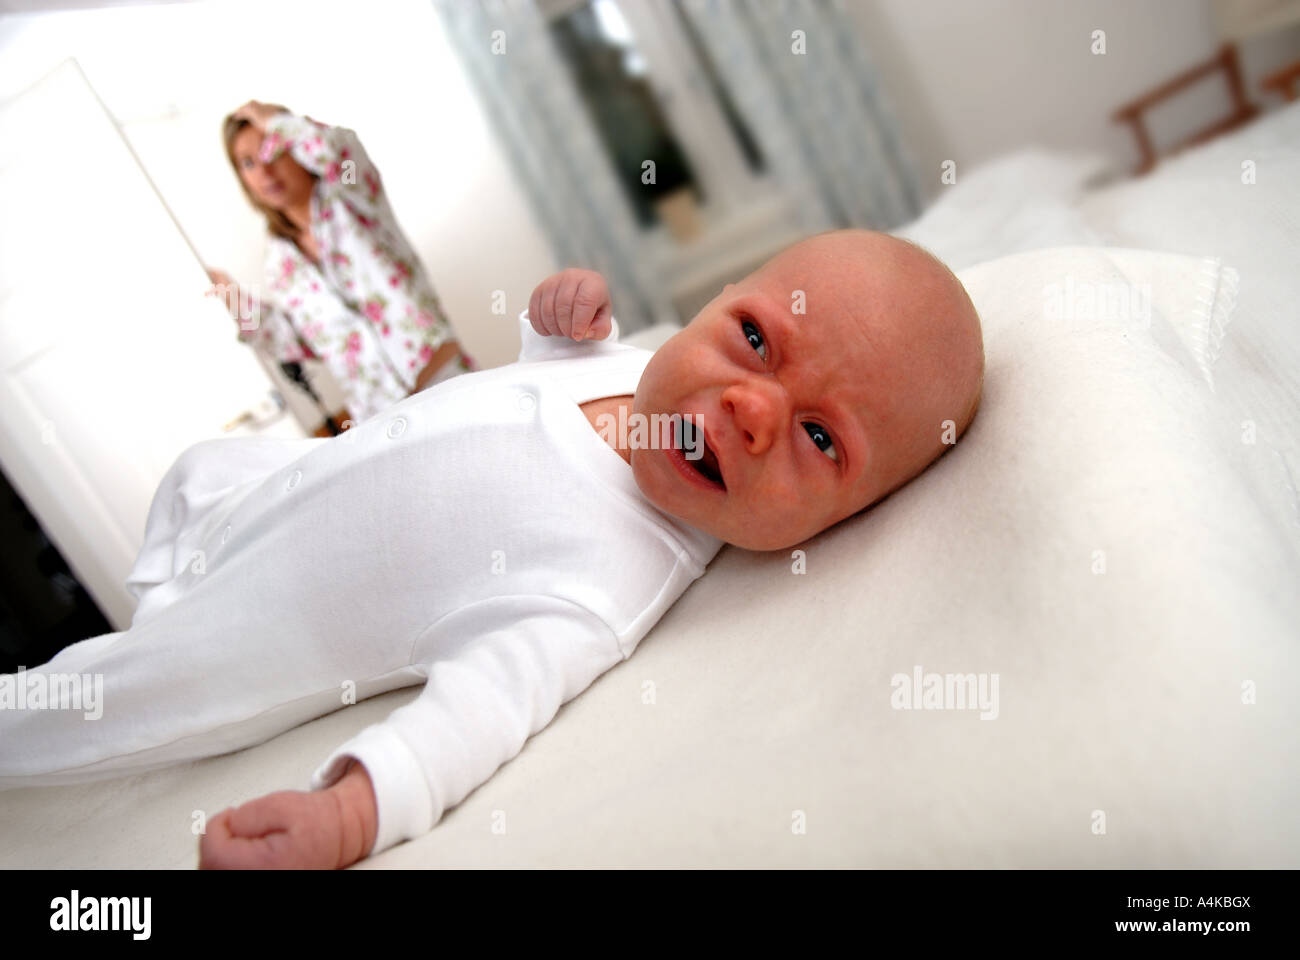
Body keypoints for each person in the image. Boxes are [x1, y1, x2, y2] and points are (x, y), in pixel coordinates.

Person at [0, 229, 984, 868]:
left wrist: (349, 817)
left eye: (820, 439)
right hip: (284, 488)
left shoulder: (609, 578)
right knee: (207, 469)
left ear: (841, 522)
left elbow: (480, 712)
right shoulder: (630, 366)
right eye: (756, 339)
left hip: (268, 621)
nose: (751, 406)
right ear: (715, 300)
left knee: (91, 697)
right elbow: (531, 382)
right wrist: (553, 332)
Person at [206, 100, 473, 425]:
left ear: (295, 147)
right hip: (383, 424)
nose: (264, 172)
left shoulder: (352, 193)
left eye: (271, 151)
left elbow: (338, 149)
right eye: (248, 163)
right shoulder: (278, 264)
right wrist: (234, 299)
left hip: (448, 384)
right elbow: (303, 342)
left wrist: (275, 120)